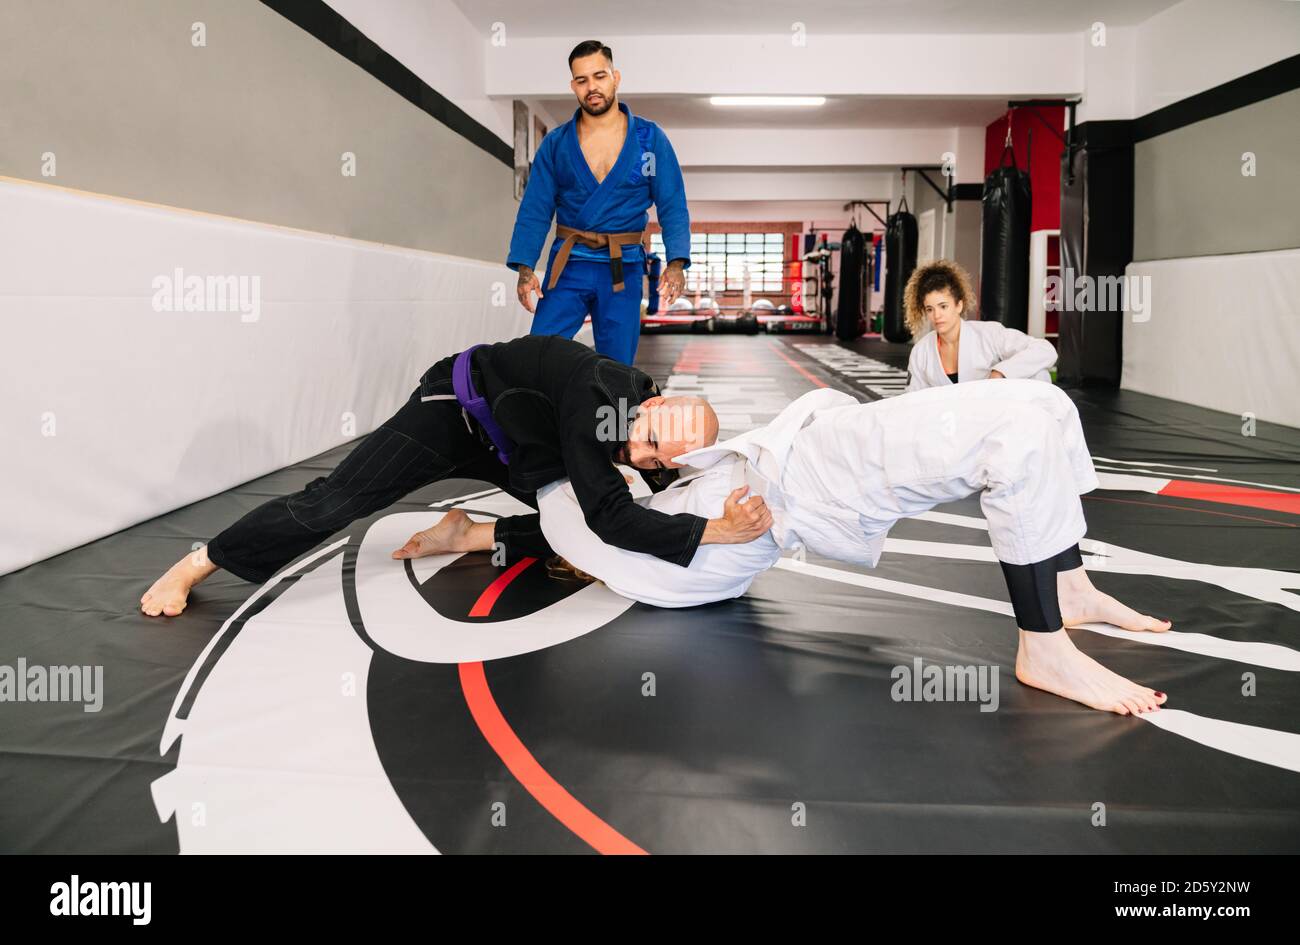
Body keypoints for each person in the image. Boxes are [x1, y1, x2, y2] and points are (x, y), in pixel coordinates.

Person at [535, 379, 1172, 717]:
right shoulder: (656, 570)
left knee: (1046, 401)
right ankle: (1044, 645)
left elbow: (654, 462)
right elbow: (566, 511)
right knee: (1019, 438)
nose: (632, 467)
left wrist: (482, 532)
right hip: (818, 481)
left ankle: (1070, 587)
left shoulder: (650, 520)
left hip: (814, 438)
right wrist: (716, 528)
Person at [140, 336, 771, 618]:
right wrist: (714, 531)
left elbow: (649, 489)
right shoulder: (596, 399)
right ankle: (203, 560)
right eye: (649, 445)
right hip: (457, 411)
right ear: (651, 408)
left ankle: (466, 535)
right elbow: (613, 515)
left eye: (661, 462)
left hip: (523, 443)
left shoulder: (656, 426)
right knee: (333, 501)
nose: (646, 459)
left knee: (576, 528)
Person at [508, 40, 690, 365]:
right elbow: (535, 209)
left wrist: (676, 263)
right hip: (569, 264)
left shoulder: (649, 139)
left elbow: (672, 204)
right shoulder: (556, 144)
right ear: (573, 86)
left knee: (617, 365)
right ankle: (540, 416)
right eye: (582, 80)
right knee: (536, 356)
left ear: (615, 77)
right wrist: (524, 268)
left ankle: (616, 417)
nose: (592, 87)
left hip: (624, 266)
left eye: (599, 76)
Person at [903, 260, 1056, 391]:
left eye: (943, 306)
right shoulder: (921, 351)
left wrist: (1000, 372)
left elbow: (1045, 350)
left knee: (1040, 374)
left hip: (993, 414)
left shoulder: (988, 334)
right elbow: (913, 398)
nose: (937, 316)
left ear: (959, 305)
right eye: (930, 309)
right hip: (948, 420)